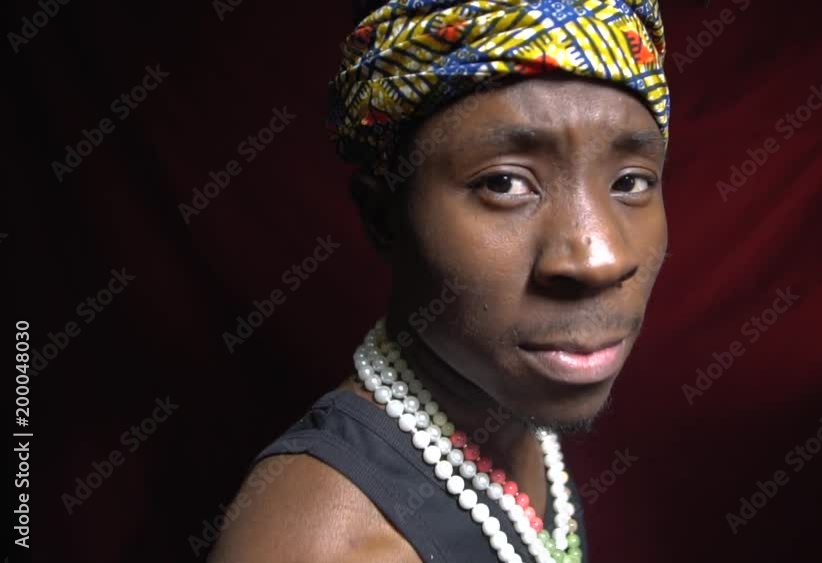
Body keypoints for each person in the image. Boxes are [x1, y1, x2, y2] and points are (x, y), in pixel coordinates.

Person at [209, 1, 670, 561]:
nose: (599, 258)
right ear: (384, 218)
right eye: (504, 182)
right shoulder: (331, 548)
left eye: (629, 181)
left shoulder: (507, 402)